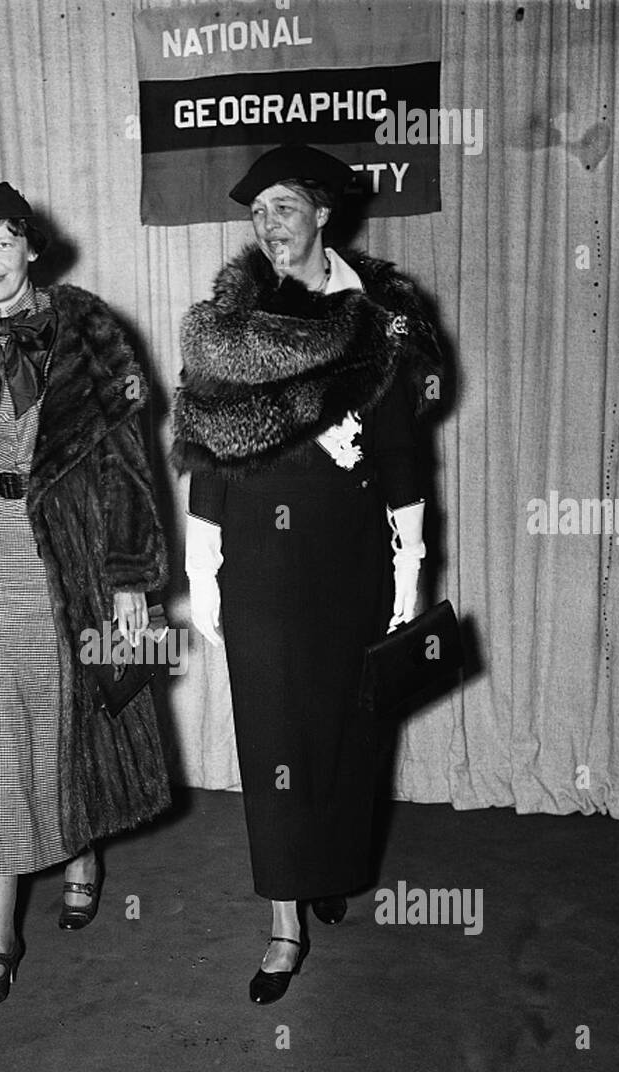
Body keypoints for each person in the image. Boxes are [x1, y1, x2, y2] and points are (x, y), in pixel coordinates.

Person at [172, 145, 444, 1004]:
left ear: (323, 214)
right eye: (258, 213)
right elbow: (210, 448)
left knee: (344, 731)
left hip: (352, 556)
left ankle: (327, 864)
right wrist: (202, 560)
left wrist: (411, 564)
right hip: (259, 555)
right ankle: (283, 923)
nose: (269, 225)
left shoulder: (380, 318)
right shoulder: (233, 321)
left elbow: (403, 449)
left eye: (284, 207)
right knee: (275, 734)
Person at [0, 182, 170, 1006]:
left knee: (69, 722)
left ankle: (81, 849)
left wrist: (131, 581)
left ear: (30, 248)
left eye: (1, 242)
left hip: (72, 558)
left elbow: (127, 462)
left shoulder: (88, 331)